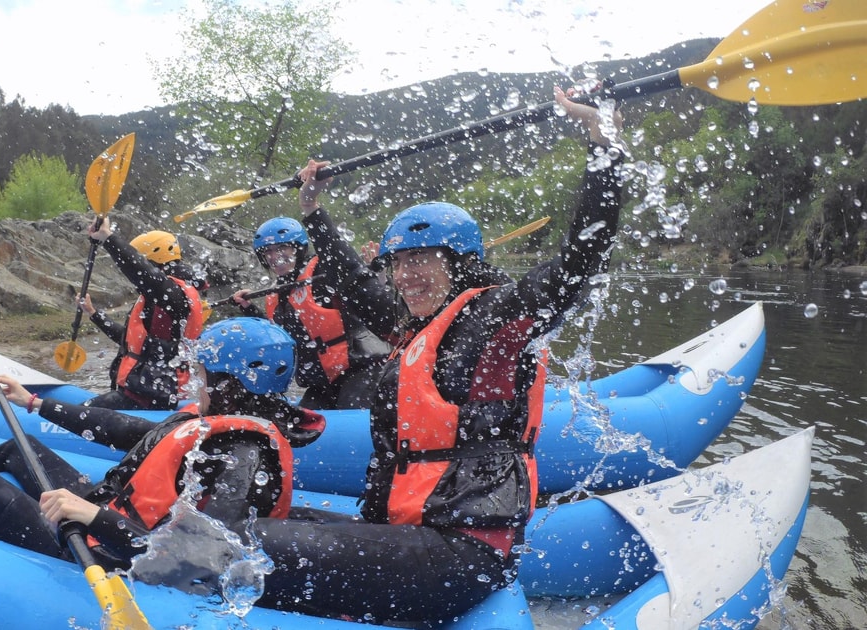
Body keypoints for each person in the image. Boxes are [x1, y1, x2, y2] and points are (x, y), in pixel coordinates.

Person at [214, 85, 622, 624]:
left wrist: (601, 143)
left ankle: (115, 540)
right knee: (237, 515)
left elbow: (579, 259)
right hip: (407, 533)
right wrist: (313, 212)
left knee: (225, 540)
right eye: (399, 263)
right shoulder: (416, 324)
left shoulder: (495, 320)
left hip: (460, 553)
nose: (405, 275)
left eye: (422, 260)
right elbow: (356, 280)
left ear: (460, 263)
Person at [0, 318, 324, 586]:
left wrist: (92, 516)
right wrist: (36, 402)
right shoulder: (219, 424)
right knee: (23, 447)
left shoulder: (241, 456)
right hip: (109, 512)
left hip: (105, 550)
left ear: (232, 382)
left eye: (205, 373)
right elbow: (129, 431)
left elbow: (201, 555)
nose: (196, 380)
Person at [231, 217, 389, 409]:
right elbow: (277, 339)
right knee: (303, 429)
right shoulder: (277, 293)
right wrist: (249, 308)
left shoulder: (323, 273)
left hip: (360, 370)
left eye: (282, 248)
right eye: (268, 252)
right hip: (322, 382)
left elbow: (342, 264)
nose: (275, 256)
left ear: (298, 249)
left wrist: (374, 274)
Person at [80, 219, 206, 410]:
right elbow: (129, 341)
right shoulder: (160, 296)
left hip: (151, 398)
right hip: (140, 393)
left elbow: (141, 272)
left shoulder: (174, 296)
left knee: (72, 415)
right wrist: (93, 313)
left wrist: (108, 237)